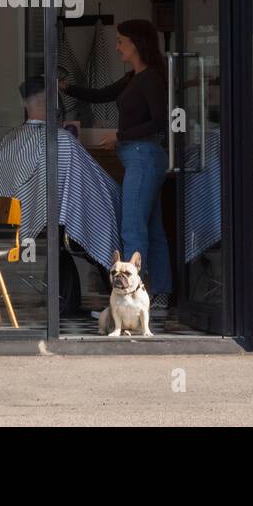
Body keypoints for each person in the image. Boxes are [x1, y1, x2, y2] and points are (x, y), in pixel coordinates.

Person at [60, 19, 172, 308]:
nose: (117, 46)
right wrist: (66, 87)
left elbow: (160, 122)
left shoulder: (150, 78)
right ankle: (159, 291)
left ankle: (136, 295)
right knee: (151, 227)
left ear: (136, 44)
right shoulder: (134, 77)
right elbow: (101, 95)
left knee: (133, 227)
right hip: (141, 157)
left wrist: (121, 135)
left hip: (143, 157)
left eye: (121, 40)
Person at [0, 76, 121, 274]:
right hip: (53, 228)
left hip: (10, 224)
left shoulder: (10, 139)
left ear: (23, 103)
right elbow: (91, 192)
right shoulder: (62, 140)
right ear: (52, 101)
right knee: (111, 203)